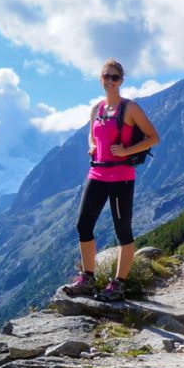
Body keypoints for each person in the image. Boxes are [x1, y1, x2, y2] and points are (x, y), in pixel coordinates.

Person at [65, 59, 160, 301]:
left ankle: (119, 284)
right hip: (97, 173)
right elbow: (91, 136)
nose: (109, 81)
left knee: (122, 231)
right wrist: (92, 147)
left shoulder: (130, 109)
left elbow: (153, 137)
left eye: (114, 77)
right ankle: (87, 278)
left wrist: (126, 152)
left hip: (121, 176)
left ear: (121, 81)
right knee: (83, 225)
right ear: (100, 78)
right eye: (106, 76)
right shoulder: (96, 109)